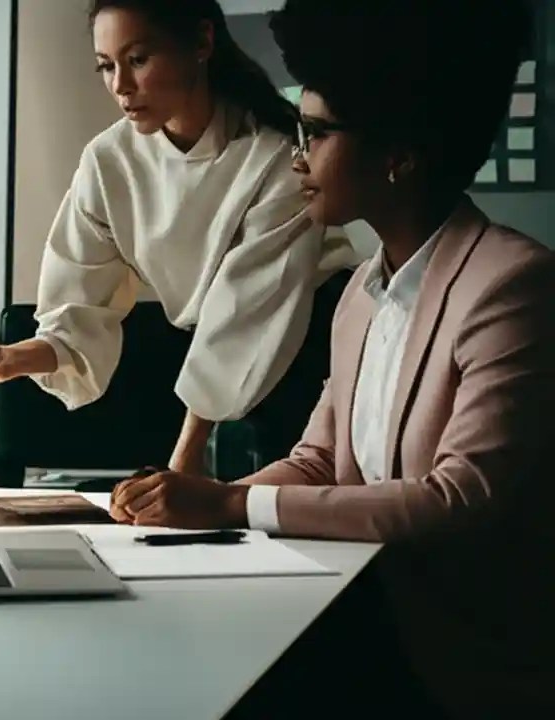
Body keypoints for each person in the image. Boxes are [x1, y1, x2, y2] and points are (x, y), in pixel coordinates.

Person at [110, 0, 553, 716]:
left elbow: (458, 498)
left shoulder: (512, 285)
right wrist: (196, 514)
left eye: (315, 135)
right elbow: (318, 460)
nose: (297, 157)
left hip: (460, 663)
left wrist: (227, 500)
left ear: (399, 157)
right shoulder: (361, 293)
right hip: (362, 617)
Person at [0, 0, 356, 475]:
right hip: (216, 373)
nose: (121, 86)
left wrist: (183, 463)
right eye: (107, 66)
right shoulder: (109, 160)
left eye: (137, 60)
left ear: (201, 43)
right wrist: (12, 359)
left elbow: (244, 319)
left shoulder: (277, 155)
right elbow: (80, 305)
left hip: (312, 364)